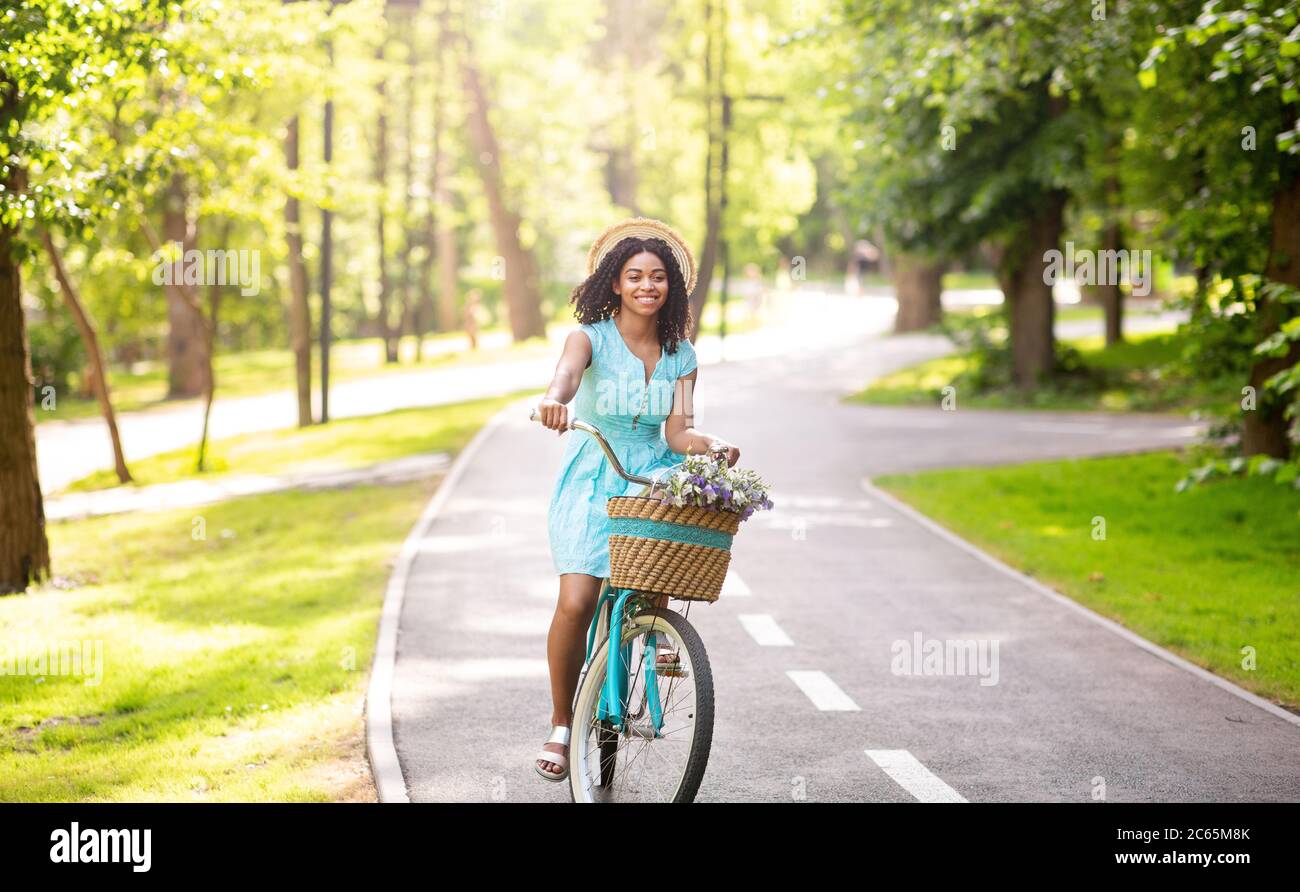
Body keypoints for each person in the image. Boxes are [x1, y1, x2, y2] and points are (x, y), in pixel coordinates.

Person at [532, 216, 740, 782]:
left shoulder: (682, 354)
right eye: (634, 276)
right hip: (595, 473)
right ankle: (561, 723)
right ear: (615, 284)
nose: (647, 286)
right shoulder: (589, 337)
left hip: (652, 473)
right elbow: (566, 377)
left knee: (652, 583)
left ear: (671, 286)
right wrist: (554, 401)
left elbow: (678, 431)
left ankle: (655, 640)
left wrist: (709, 444)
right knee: (577, 601)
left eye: (658, 277)